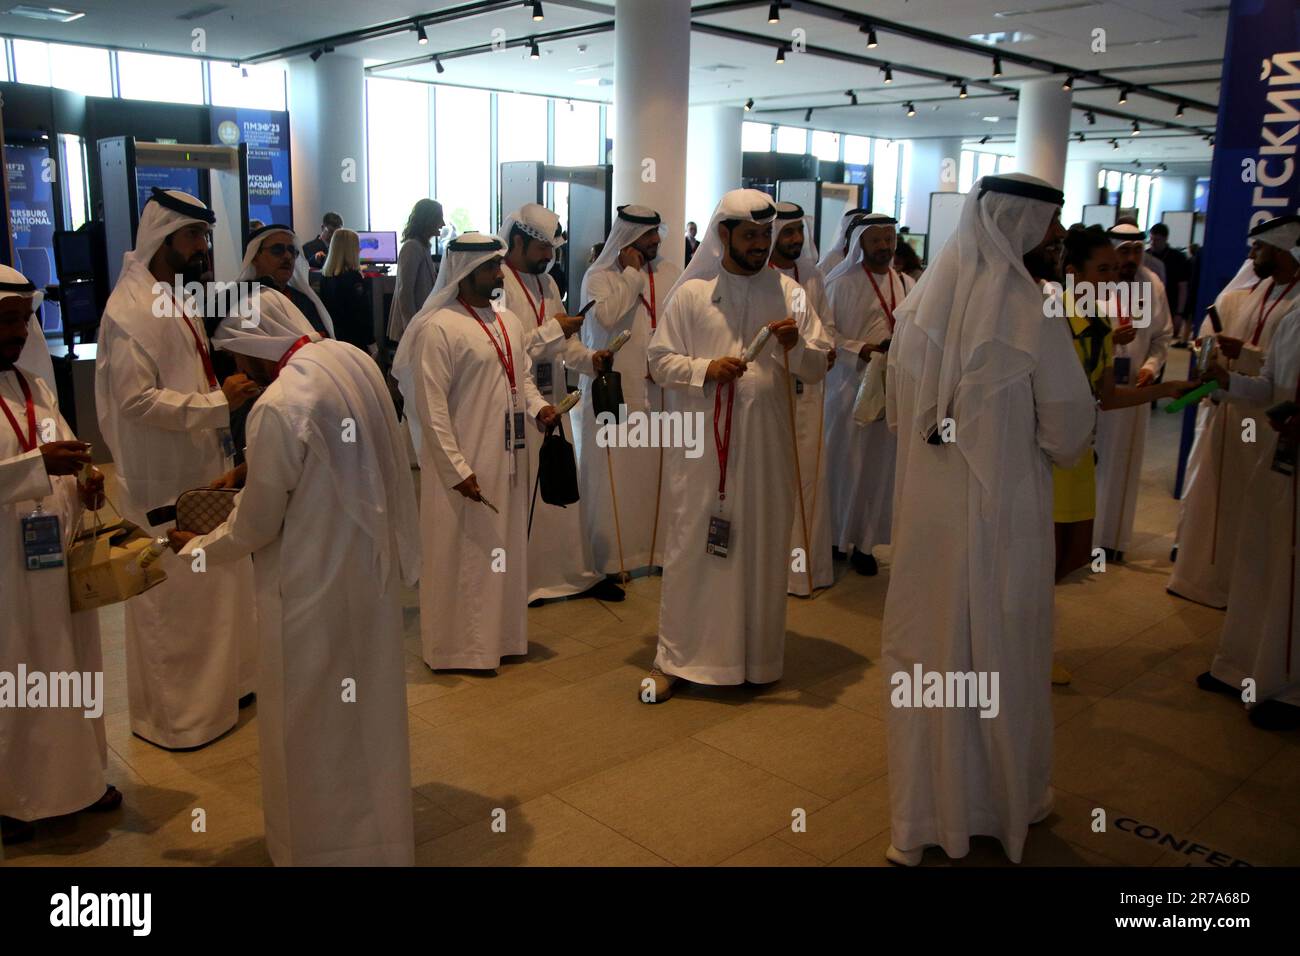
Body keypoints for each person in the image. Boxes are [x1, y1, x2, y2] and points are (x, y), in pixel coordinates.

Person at [882, 174, 1096, 865]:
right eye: (1051, 227)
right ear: (1020, 228)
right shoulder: (1034, 312)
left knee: (934, 650)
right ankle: (996, 803)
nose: (1059, 241)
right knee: (998, 649)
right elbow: (1067, 434)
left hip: (928, 526)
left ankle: (930, 812)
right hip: (1005, 519)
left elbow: (897, 416)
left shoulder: (920, 308)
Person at [168, 288, 418, 865]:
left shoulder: (277, 404)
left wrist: (196, 546)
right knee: (369, 713)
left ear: (253, 351)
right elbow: (329, 449)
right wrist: (252, 467)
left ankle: (316, 849)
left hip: (307, 586)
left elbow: (256, 526)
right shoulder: (345, 358)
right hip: (368, 576)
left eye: (237, 358)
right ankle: (378, 844)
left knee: (309, 722)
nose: (240, 372)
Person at [641, 188, 831, 703]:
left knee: (762, 547)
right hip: (704, 454)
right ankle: (680, 658)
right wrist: (705, 369)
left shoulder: (790, 293)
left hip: (767, 452)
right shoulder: (692, 296)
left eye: (766, 235)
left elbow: (819, 365)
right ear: (723, 235)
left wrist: (801, 347)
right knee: (694, 550)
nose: (760, 245)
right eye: (750, 235)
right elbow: (659, 361)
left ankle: (754, 659)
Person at [95, 188, 259, 749]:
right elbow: (134, 402)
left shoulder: (171, 297)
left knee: (213, 588)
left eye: (205, 238)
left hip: (199, 467)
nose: (202, 248)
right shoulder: (130, 309)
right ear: (164, 237)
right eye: (194, 236)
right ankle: (177, 720)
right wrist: (219, 404)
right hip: (162, 478)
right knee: (174, 600)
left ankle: (223, 693)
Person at [393, 234, 555, 671]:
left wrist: (540, 409)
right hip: (465, 465)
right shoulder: (437, 327)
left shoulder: (508, 322)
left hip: (510, 458)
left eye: (498, 265)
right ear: (464, 272)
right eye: (489, 268)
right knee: (461, 552)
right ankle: (456, 648)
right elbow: (430, 408)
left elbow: (521, 378)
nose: (499, 274)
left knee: (501, 551)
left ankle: (500, 639)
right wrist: (456, 468)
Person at [1, 265, 118, 846]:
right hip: (5, 572)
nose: (19, 332)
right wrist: (35, 468)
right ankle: (21, 797)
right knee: (22, 671)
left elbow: (63, 449)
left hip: (55, 555)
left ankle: (82, 778)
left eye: (24, 320)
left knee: (75, 665)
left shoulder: (33, 386)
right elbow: (31, 463)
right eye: (6, 320)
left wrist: (85, 480)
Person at [1168, 214, 1300, 609]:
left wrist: (1243, 354)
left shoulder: (1294, 303)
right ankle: (1206, 579)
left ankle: (1243, 591)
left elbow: (1284, 374)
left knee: (1251, 501)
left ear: (1280, 249)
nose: (1252, 255)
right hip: (1231, 409)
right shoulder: (1251, 295)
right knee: (1215, 490)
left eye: (1258, 248)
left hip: (1267, 419)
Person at [497, 203, 620, 603]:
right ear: (517, 242)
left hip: (555, 403)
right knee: (526, 490)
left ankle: (569, 575)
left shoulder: (547, 285)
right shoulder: (496, 284)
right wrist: (554, 329)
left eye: (553, 251)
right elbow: (505, 350)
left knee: (560, 488)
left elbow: (565, 346)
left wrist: (590, 360)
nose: (550, 258)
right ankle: (526, 582)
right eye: (542, 250)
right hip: (519, 404)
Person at [1053, 225, 1185, 581]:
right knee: (1042, 557)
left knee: (1072, 556)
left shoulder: (1098, 320)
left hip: (1079, 449)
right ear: (1073, 273)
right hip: (1047, 453)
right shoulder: (1050, 315)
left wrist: (1165, 387)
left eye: (1116, 267)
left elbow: (1107, 397)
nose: (1113, 276)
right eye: (1104, 269)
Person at [1197, 305, 1300, 730]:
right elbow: (1270, 386)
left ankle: (1288, 690)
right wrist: (1228, 383)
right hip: (1280, 458)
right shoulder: (1294, 314)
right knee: (1261, 557)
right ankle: (1243, 669)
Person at [576, 205, 681, 578]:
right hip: (615, 391)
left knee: (654, 471)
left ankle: (657, 552)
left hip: (658, 390)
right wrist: (633, 274)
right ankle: (610, 560)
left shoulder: (670, 272)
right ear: (626, 239)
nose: (655, 241)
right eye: (647, 236)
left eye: (656, 234)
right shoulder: (599, 276)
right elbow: (606, 316)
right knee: (613, 473)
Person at [822, 213, 914, 578]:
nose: (884, 246)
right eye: (876, 240)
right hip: (847, 390)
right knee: (845, 464)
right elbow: (827, 334)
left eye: (889, 239)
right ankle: (832, 539)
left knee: (878, 470)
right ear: (860, 242)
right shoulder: (840, 284)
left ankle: (864, 542)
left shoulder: (904, 282)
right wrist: (860, 348)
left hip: (887, 387)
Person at [1090, 223, 1173, 562]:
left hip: (1134, 390)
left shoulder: (1152, 284)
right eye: (1124, 251)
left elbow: (1162, 337)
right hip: (1097, 389)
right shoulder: (1092, 282)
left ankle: (1113, 539)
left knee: (1124, 462)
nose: (1131, 258)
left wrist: (1151, 368)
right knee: (1096, 462)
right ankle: (1087, 535)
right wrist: (1108, 342)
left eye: (1137, 250)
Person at [768, 201, 835, 596]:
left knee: (809, 476)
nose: (794, 239)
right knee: (777, 478)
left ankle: (807, 570)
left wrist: (824, 349)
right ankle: (777, 572)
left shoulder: (812, 274)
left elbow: (823, 325)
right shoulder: (760, 278)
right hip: (775, 393)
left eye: (798, 231)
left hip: (810, 388)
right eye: (787, 232)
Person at [237, 224, 335, 338]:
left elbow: (321, 342)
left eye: (292, 251)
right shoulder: (238, 300)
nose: (288, 256)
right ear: (255, 257)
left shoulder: (303, 302)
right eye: (277, 250)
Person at [387, 199, 444, 345]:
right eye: (439, 219)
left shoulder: (422, 247)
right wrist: (411, 328)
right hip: (412, 328)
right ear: (428, 220)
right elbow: (405, 292)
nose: (443, 224)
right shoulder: (412, 247)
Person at [319, 227, 375, 352]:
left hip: (335, 339)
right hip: (355, 342)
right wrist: (371, 342)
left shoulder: (325, 276)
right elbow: (361, 315)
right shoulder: (353, 278)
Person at [1147, 222, 1190, 345]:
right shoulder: (1146, 256)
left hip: (1169, 305)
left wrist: (1179, 313)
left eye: (1157, 240)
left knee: (1162, 343)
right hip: (1147, 305)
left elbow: (1183, 287)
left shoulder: (1178, 258)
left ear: (1165, 239)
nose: (1153, 242)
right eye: (1151, 239)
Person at [816, 206, 869, 274]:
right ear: (846, 232)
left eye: (863, 229)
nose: (859, 233)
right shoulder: (832, 259)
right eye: (855, 228)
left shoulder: (874, 259)